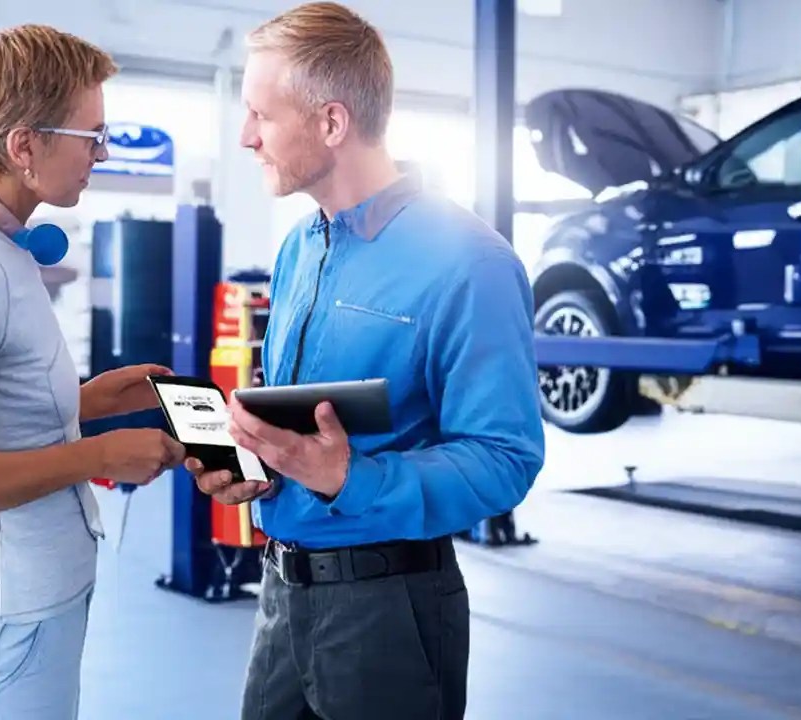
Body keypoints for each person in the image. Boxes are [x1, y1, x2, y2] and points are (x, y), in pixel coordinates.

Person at [187, 3, 545, 719]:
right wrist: (254, 465)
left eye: (261, 113)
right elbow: (303, 417)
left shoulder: (469, 263)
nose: (246, 135)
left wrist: (352, 477)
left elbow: (505, 458)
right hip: (281, 596)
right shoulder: (300, 248)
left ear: (331, 122)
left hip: (390, 613)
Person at [0, 24, 186, 718]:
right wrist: (100, 454)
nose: (100, 155)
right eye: (91, 136)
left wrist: (92, 403)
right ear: (25, 146)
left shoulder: (4, 247)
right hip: (5, 626)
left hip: (37, 609)